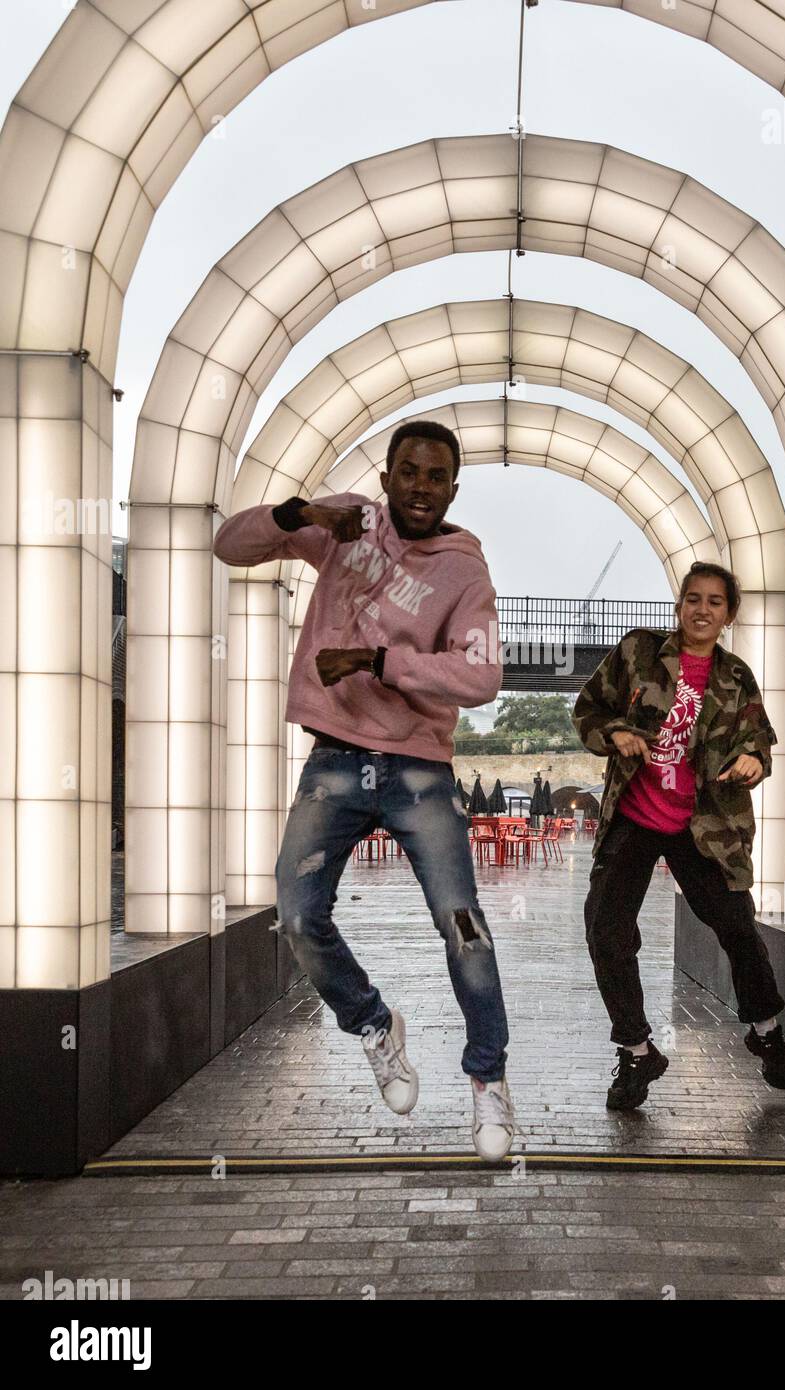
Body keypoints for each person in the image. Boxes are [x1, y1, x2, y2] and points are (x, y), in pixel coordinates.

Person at [212, 420, 514, 1160]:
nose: (420, 486)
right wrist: (299, 515)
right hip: (335, 761)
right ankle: (374, 1025)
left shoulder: (464, 573)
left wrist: (381, 659)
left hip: (418, 769)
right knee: (295, 913)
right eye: (407, 471)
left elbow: (482, 675)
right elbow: (230, 544)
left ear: (452, 488)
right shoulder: (346, 525)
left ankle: (489, 1080)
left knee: (463, 926)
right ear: (384, 478)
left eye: (436, 475)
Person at [573, 562, 785, 1111]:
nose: (702, 609)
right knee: (606, 929)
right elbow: (588, 710)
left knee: (737, 927)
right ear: (679, 606)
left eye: (715, 602)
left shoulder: (736, 676)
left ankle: (765, 1031)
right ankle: (635, 1050)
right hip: (635, 815)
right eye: (693, 599)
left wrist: (752, 760)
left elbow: (759, 740)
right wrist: (618, 732)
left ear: (729, 614)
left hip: (704, 824)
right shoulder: (638, 653)